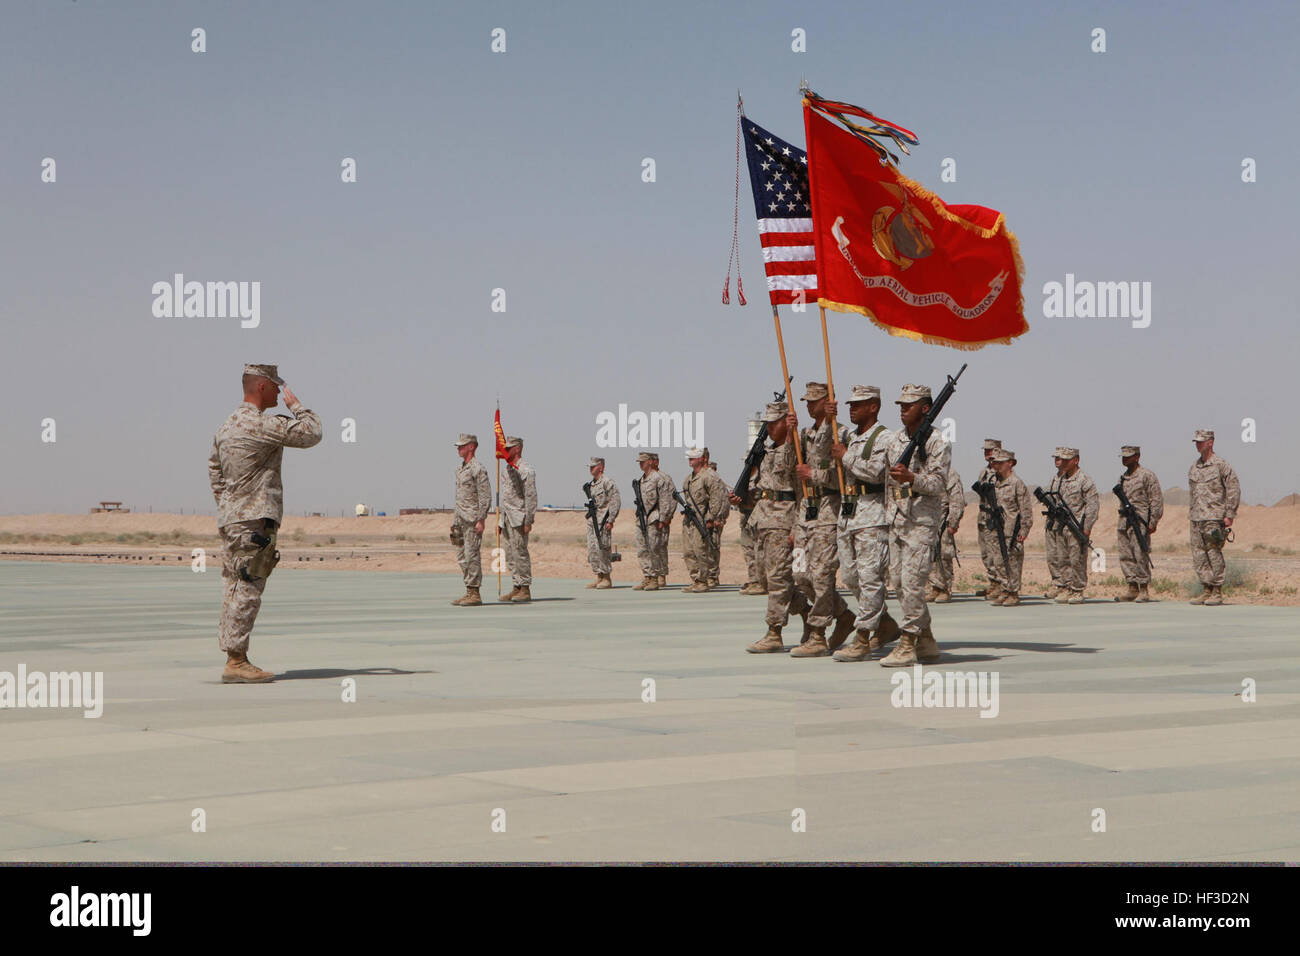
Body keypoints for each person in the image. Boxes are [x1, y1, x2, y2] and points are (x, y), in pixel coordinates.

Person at [207, 364, 322, 683]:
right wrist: (296, 405)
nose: (279, 392)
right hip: (254, 520)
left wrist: (229, 505)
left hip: (232, 519)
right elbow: (312, 433)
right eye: (275, 387)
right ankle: (236, 661)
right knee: (248, 587)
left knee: (233, 585)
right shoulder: (262, 424)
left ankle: (233, 654)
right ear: (261, 387)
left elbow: (214, 470)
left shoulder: (227, 426)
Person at [877, 385, 951, 667]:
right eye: (901, 404)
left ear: (925, 408)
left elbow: (938, 484)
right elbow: (887, 482)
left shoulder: (937, 441)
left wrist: (912, 478)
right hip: (897, 519)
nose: (902, 409)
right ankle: (927, 638)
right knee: (897, 582)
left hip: (921, 522)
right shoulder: (896, 440)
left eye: (909, 405)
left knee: (912, 584)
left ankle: (908, 644)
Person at [829, 385, 901, 662]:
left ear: (874, 406)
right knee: (850, 577)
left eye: (858, 404)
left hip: (872, 516)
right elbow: (829, 443)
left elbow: (876, 473)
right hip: (848, 517)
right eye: (850, 404)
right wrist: (830, 418)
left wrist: (845, 456)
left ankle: (862, 636)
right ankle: (883, 623)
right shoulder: (849, 436)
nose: (852, 408)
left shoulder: (886, 438)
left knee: (871, 579)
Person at [788, 383, 855, 657]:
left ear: (826, 402)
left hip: (829, 507)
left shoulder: (840, 433)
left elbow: (842, 476)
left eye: (813, 401)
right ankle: (843, 614)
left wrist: (813, 475)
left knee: (822, 574)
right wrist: (789, 429)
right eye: (806, 401)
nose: (807, 405)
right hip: (807, 509)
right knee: (800, 573)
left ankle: (818, 632)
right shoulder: (804, 433)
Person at [737, 402, 810, 652]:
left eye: (774, 422)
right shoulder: (766, 453)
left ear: (785, 422)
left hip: (783, 520)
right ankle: (810, 613)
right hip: (763, 519)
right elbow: (760, 487)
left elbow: (801, 492)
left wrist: (796, 529)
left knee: (779, 579)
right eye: (766, 423)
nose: (769, 427)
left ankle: (774, 632)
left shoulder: (794, 451)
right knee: (767, 580)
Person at [1187, 429, 1241, 606]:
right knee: (1199, 555)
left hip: (1214, 517)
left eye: (1201, 441)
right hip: (1196, 518)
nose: (1197, 444)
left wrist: (1229, 514)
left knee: (1213, 553)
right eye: (1196, 442)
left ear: (1210, 442)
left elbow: (1233, 489)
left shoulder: (1221, 465)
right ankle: (1206, 589)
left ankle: (1217, 591)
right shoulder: (1194, 467)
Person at [1044, 447, 1099, 604]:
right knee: (1063, 558)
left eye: (1068, 460)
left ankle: (1077, 590)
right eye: (1063, 460)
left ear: (1076, 460)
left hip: (1076, 526)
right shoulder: (1060, 479)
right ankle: (1067, 587)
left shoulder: (1084, 480)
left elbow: (1092, 506)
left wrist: (1087, 526)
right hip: (1061, 525)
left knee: (1077, 559)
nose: (1064, 463)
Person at [1114, 445, 1164, 602]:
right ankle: (1132, 587)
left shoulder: (1146, 476)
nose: (1125, 459)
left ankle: (1143, 589)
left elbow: (1156, 500)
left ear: (1137, 457)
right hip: (1124, 521)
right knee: (1126, 555)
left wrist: (1153, 521)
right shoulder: (1123, 477)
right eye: (1123, 456)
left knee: (1140, 554)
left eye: (1128, 456)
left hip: (1139, 521)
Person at [450, 433, 492, 606]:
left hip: (472, 518)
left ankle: (475, 592)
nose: (459, 449)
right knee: (461, 554)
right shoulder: (461, 469)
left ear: (471, 447)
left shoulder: (478, 469)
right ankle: (468, 589)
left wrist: (481, 519)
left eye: (462, 446)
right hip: (459, 518)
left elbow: (485, 496)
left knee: (471, 554)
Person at [988, 448, 1032, 607]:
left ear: (1010, 463)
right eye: (995, 462)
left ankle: (1013, 592)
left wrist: (1024, 531)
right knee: (998, 560)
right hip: (997, 528)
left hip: (1012, 530)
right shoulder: (995, 482)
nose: (996, 465)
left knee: (1012, 561)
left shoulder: (1016, 483)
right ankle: (1004, 589)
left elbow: (1025, 510)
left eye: (1000, 462)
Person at [681, 448, 728, 592]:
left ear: (702, 458)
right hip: (690, 519)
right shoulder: (689, 478)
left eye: (693, 458)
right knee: (689, 551)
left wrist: (712, 518)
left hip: (702, 519)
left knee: (701, 550)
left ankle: (703, 580)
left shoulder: (710, 476)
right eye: (689, 458)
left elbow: (717, 499)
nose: (690, 460)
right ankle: (696, 579)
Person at [499, 436, 537, 603]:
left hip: (519, 517)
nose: (505, 451)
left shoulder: (526, 470)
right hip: (507, 517)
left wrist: (528, 520)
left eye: (509, 449)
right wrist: (500, 520)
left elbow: (530, 497)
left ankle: (525, 588)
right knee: (510, 554)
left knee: (520, 553)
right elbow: (505, 497)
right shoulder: (507, 469)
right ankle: (516, 586)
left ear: (518, 449)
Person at [633, 452, 676, 590]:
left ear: (651, 462)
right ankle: (647, 576)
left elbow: (665, 499)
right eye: (640, 462)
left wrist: (664, 518)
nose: (641, 464)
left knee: (654, 549)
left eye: (643, 461)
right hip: (642, 518)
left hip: (654, 518)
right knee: (642, 549)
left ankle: (655, 578)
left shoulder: (658, 478)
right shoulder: (642, 480)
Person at [927, 463, 965, 604]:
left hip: (943, 520)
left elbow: (957, 499)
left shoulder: (950, 473)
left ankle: (945, 589)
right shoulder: (927, 471)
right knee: (930, 556)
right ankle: (935, 586)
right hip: (928, 520)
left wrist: (953, 522)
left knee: (944, 554)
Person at [584, 457, 621, 589]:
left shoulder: (607, 482)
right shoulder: (592, 484)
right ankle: (599, 575)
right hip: (592, 520)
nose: (590, 469)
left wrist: (611, 519)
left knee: (603, 548)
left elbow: (615, 501)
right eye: (590, 467)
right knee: (593, 548)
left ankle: (606, 577)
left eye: (593, 467)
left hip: (603, 520)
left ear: (600, 467)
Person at [976, 439, 1004, 601]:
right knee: (986, 553)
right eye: (985, 451)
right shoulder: (984, 472)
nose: (987, 454)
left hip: (995, 517)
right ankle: (993, 583)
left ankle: (1001, 585)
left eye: (990, 450)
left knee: (996, 553)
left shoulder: (1001, 472)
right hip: (983, 515)